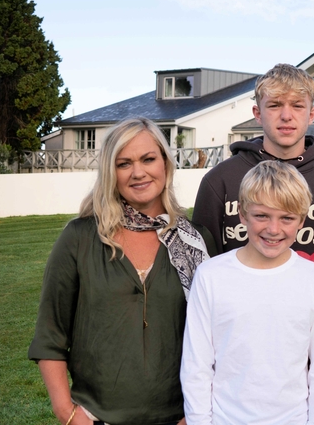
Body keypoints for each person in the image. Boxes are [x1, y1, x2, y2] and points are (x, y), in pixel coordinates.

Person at [29, 117, 217, 425]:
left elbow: (219, 338)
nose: (138, 172)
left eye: (148, 159)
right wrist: (67, 412)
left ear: (166, 165)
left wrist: (195, 415)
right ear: (109, 173)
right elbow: (50, 334)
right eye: (123, 163)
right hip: (96, 417)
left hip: (183, 418)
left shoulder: (197, 242)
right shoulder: (79, 238)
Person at [181, 160, 314, 425]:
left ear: (302, 219)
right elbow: (196, 366)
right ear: (242, 214)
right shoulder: (211, 276)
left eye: (287, 218)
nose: (273, 229)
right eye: (261, 216)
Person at [191, 63, 314, 267]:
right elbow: (200, 261)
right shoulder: (220, 180)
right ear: (258, 113)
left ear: (311, 114)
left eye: (297, 105)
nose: (286, 115)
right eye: (275, 105)